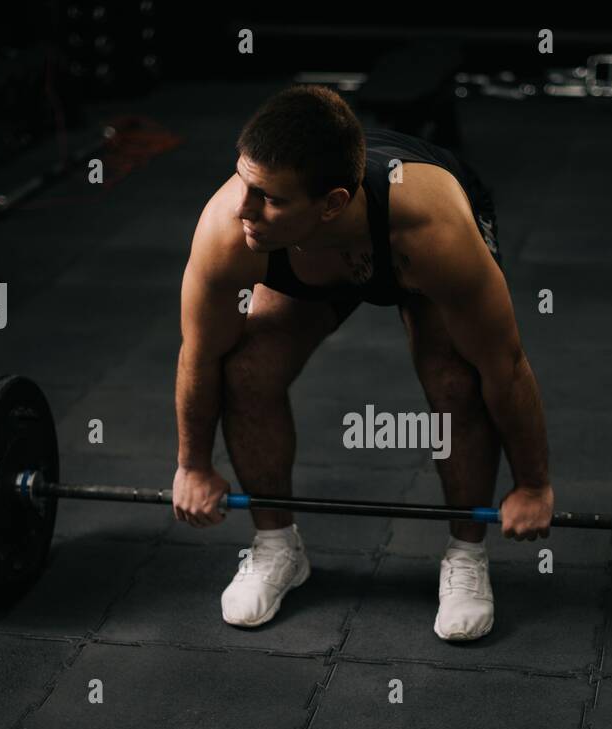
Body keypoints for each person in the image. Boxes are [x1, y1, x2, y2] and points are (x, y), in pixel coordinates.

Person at [171, 84, 552, 641]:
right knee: (247, 368)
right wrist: (193, 466)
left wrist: (533, 484)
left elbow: (506, 366)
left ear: (331, 204)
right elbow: (199, 356)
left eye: (268, 198)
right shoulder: (230, 228)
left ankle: (467, 553)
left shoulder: (435, 231)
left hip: (402, 254)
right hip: (310, 248)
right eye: (243, 182)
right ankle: (277, 546)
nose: (242, 207)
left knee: (455, 380)